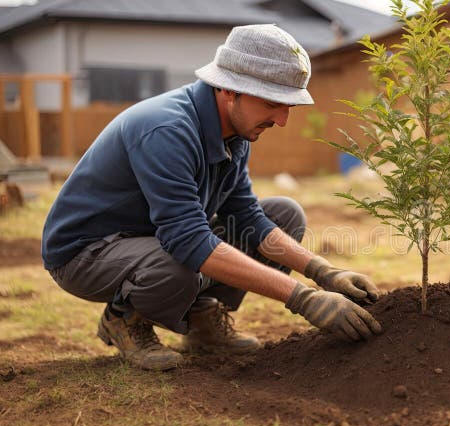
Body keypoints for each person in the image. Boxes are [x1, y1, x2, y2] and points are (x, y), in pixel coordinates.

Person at [41, 24, 382, 371]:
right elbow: (187, 240)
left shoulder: (235, 135)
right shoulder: (167, 130)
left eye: (288, 105)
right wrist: (304, 299)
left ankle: (201, 320)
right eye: (271, 103)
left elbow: (248, 217)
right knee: (179, 264)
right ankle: (125, 318)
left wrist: (324, 273)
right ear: (229, 90)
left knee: (284, 215)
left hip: (155, 238)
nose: (281, 120)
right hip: (86, 253)